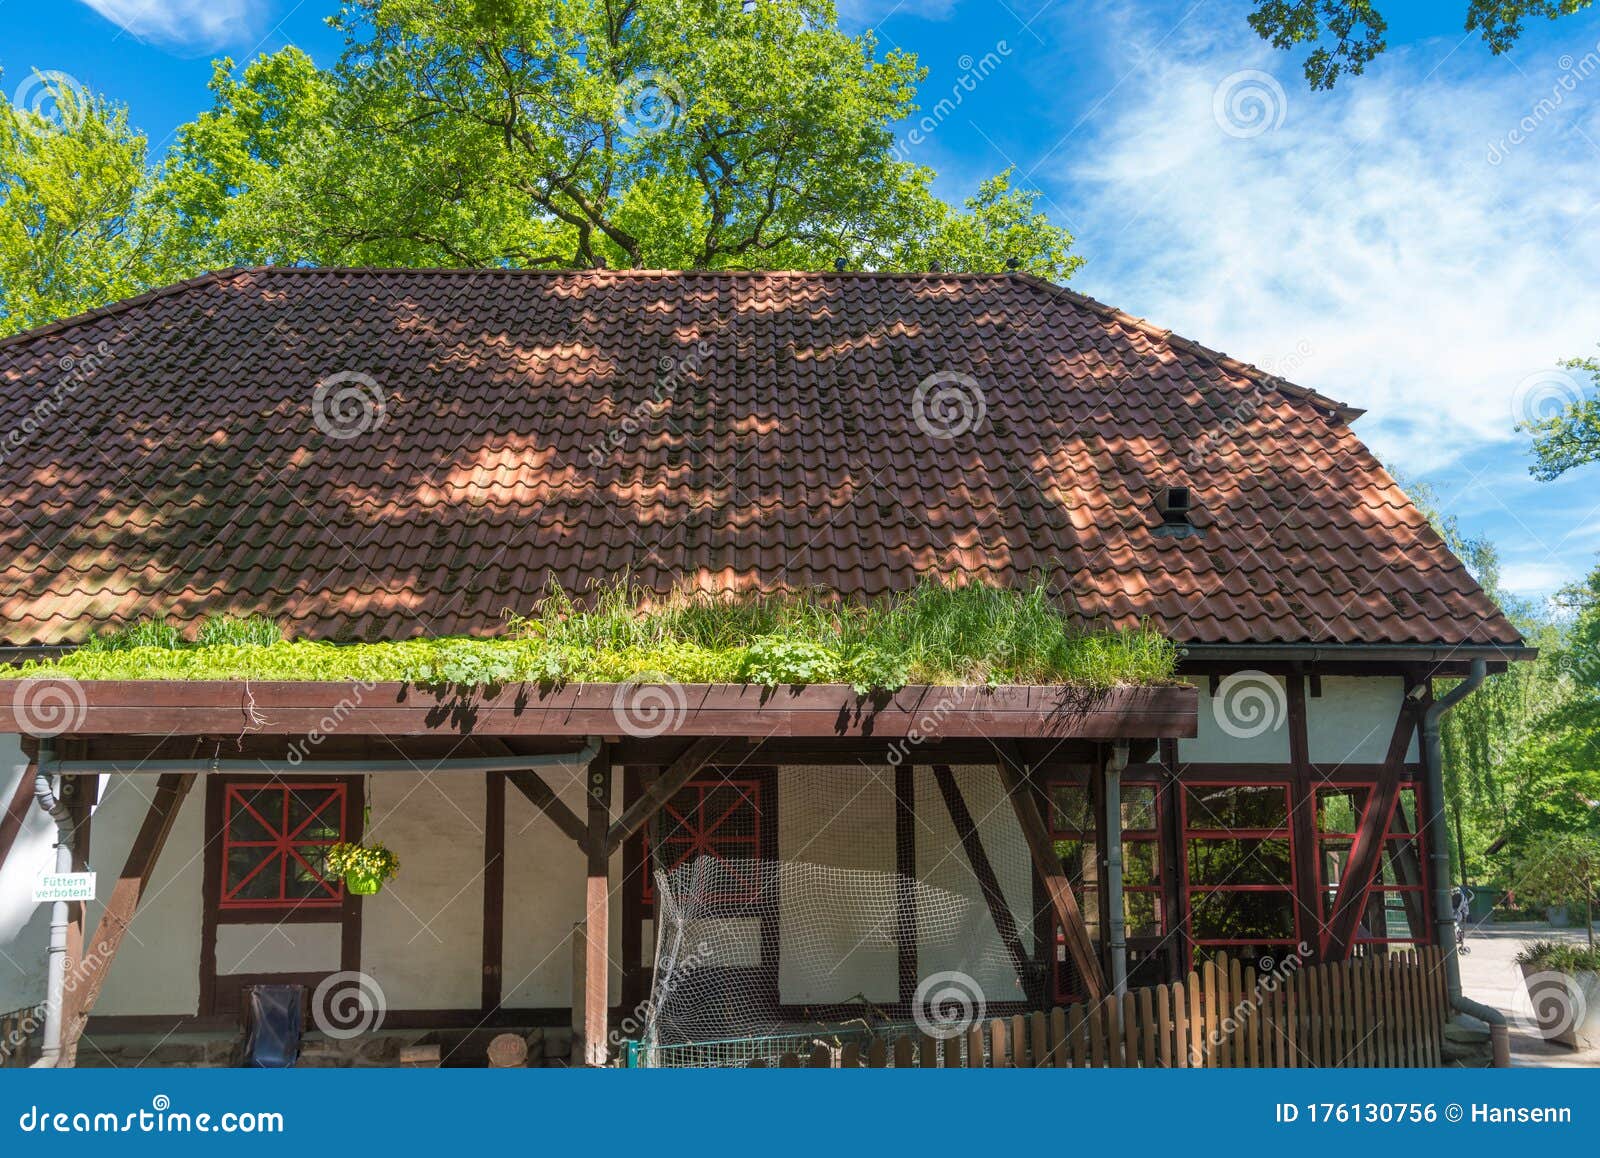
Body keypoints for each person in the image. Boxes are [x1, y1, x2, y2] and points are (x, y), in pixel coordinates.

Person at [1452, 886, 1474, 953]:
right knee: (1455, 924)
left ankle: (1458, 935)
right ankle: (1458, 935)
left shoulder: (1460, 897)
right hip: (1456, 913)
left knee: (1455, 924)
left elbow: (1462, 908)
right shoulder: (1460, 897)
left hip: (1456, 913)